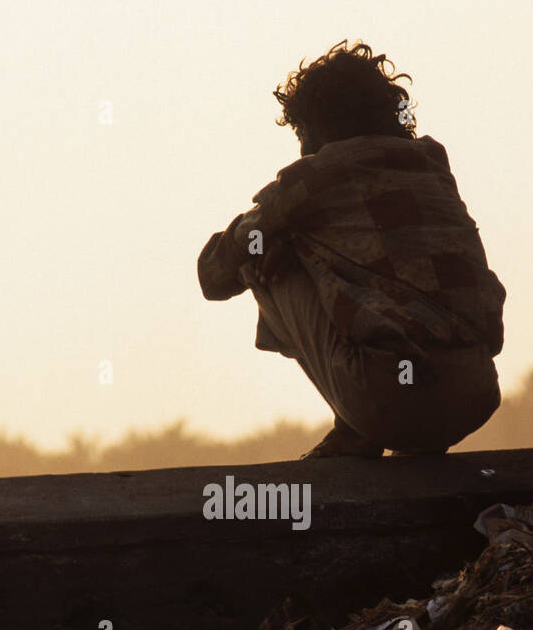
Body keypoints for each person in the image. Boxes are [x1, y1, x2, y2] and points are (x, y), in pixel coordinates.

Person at [197, 41, 506, 458]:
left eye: (302, 135)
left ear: (316, 128)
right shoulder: (432, 167)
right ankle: (400, 439)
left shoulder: (315, 178)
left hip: (387, 400)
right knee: (300, 248)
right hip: (476, 391)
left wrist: (279, 241)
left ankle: (354, 432)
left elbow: (213, 277)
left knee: (262, 256)